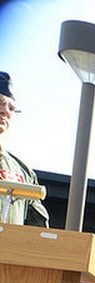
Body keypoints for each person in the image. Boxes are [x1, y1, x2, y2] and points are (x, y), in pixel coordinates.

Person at [0, 72, 48, 227]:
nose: (5, 111)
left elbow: (37, 231)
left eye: (11, 108)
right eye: (0, 103)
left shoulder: (23, 173)